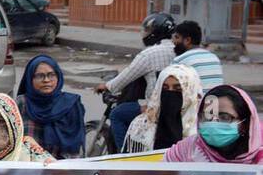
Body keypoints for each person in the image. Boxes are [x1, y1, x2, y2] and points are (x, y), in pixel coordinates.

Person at [93, 12, 176, 149]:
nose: (145, 34)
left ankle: (125, 157)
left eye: (148, 30)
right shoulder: (178, 49)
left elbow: (127, 75)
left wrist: (107, 86)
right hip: (177, 106)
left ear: (156, 32)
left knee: (117, 114)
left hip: (156, 108)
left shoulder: (149, 54)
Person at [121, 63, 201, 155]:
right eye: (164, 89)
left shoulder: (203, 130)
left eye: (178, 89)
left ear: (191, 92)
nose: (170, 94)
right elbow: (130, 163)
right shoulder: (141, 125)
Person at [15, 54, 85, 159]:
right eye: (40, 76)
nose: (46, 80)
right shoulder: (21, 103)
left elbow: (75, 149)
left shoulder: (70, 104)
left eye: (51, 75)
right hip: (29, 167)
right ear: (30, 79)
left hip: (62, 168)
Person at [171, 20, 223, 90]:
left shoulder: (179, 60)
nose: (174, 41)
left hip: (195, 101)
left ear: (187, 40)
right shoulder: (214, 58)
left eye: (177, 37)